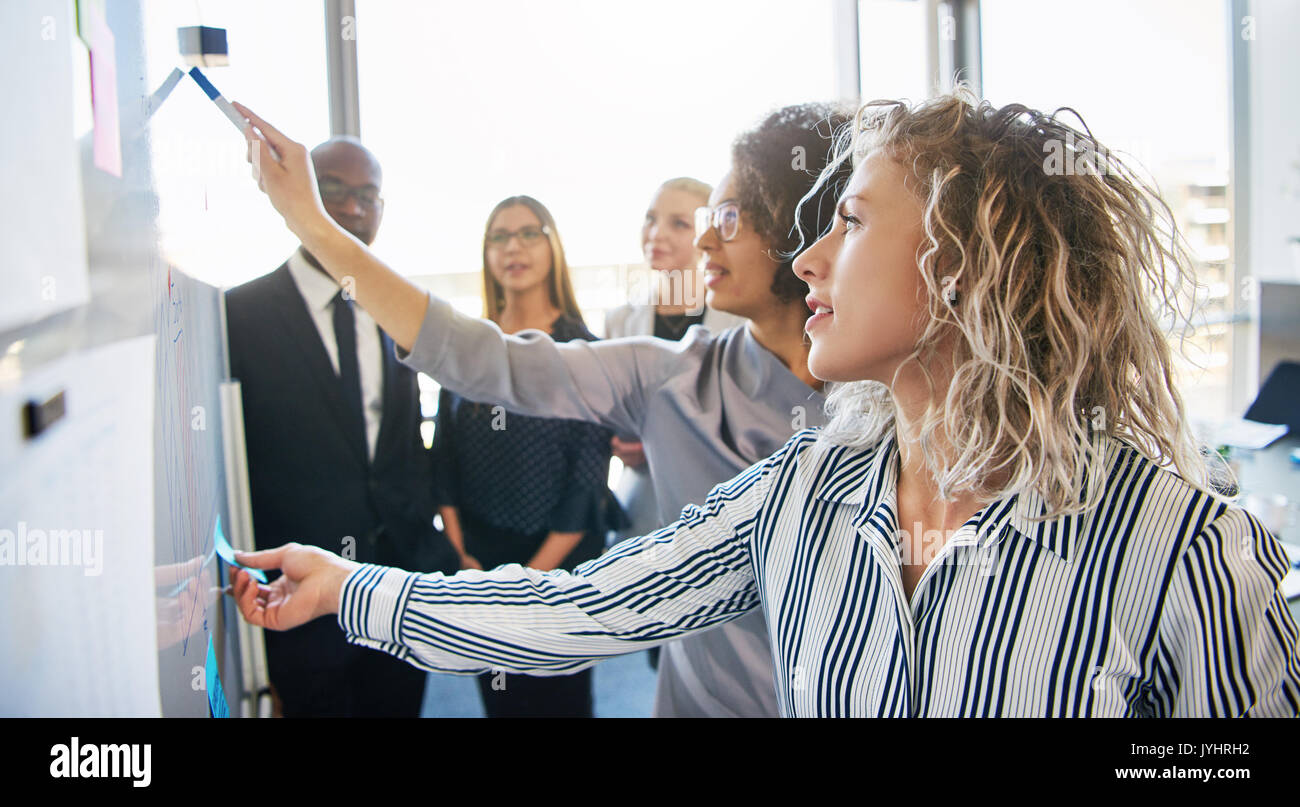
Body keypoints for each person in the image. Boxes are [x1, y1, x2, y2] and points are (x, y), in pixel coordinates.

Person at [232, 90, 1300, 716]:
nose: (813, 254)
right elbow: (587, 607)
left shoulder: (1186, 549)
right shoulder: (806, 487)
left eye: (851, 221)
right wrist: (351, 590)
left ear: (963, 264)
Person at [230, 97, 853, 717]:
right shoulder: (670, 375)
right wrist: (313, 226)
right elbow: (480, 359)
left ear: (802, 235)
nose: (706, 235)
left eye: (731, 215)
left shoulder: (885, 415)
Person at [224, 136, 460, 718]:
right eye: (334, 190)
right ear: (302, 192)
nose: (354, 208)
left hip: (397, 588)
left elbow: (402, 442)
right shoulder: (238, 317)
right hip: (299, 597)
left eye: (368, 195)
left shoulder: (395, 309)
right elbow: (233, 464)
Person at [433, 195, 613, 717]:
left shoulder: (587, 351)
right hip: (479, 565)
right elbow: (442, 459)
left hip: (559, 572)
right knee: (501, 702)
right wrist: (464, 560)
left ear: (553, 245)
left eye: (529, 233)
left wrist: (525, 587)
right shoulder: (466, 345)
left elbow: (586, 485)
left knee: (560, 704)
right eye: (499, 236)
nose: (514, 246)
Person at [603, 177, 743, 672]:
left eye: (678, 222)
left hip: (723, 526)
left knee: (725, 661)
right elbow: (608, 416)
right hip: (646, 518)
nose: (655, 233)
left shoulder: (738, 319)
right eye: (650, 217)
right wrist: (620, 443)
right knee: (661, 658)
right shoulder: (619, 320)